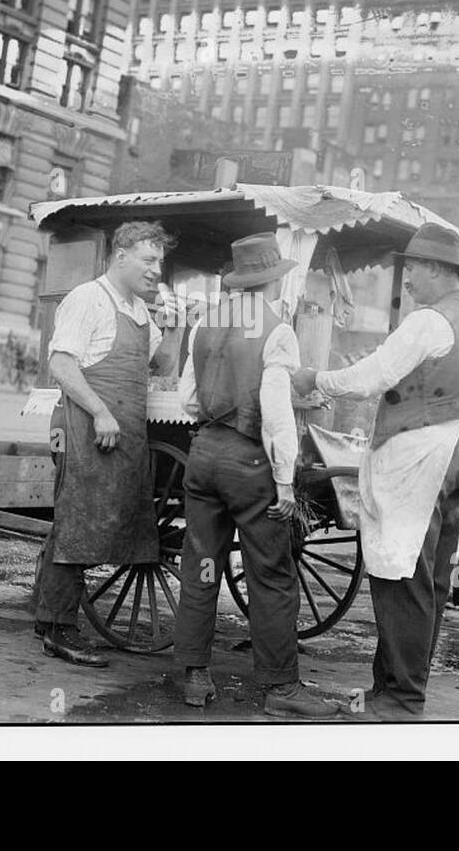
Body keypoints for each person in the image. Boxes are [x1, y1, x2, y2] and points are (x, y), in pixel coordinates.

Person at [291, 222, 459, 719]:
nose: (408, 282)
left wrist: (313, 378)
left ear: (435, 269)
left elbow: (373, 377)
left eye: (413, 271)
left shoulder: (429, 321)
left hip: (424, 450)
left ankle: (401, 697)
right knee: (431, 576)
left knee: (400, 571)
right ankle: (394, 688)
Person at [174, 232, 341, 719]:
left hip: (202, 455)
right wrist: (286, 481)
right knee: (271, 575)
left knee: (202, 566)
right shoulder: (277, 330)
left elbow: (188, 399)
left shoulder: (206, 322)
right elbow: (276, 413)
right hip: (248, 464)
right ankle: (280, 688)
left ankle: (194, 677)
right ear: (273, 281)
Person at [30, 221, 174, 666]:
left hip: (122, 432)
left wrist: (170, 324)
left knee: (98, 520)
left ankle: (47, 613)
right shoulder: (87, 298)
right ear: (121, 254)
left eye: (160, 263)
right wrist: (99, 411)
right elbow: (60, 363)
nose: (156, 271)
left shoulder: (139, 311)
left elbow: (158, 363)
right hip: (88, 426)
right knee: (78, 521)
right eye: (149, 261)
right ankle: (59, 629)